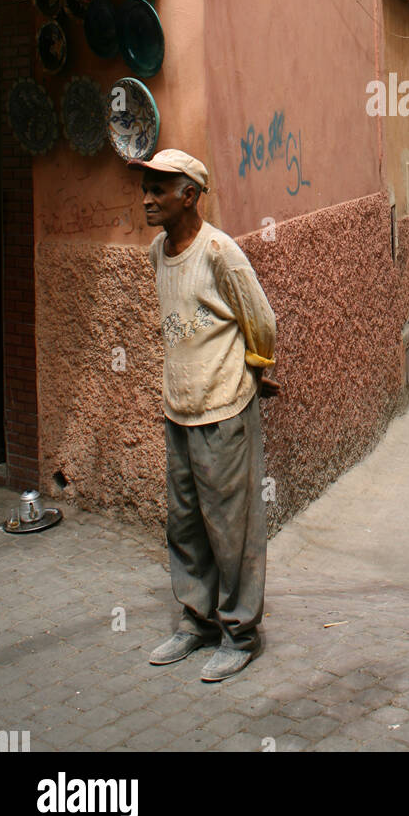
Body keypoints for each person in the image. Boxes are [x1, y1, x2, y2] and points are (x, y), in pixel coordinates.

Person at [131, 149, 277, 682]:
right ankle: (197, 621)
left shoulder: (220, 252)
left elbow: (260, 319)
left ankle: (240, 633)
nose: (147, 198)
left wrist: (256, 371)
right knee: (186, 521)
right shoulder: (157, 252)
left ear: (189, 195)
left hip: (224, 406)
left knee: (231, 527)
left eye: (159, 189)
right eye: (145, 188)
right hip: (179, 408)